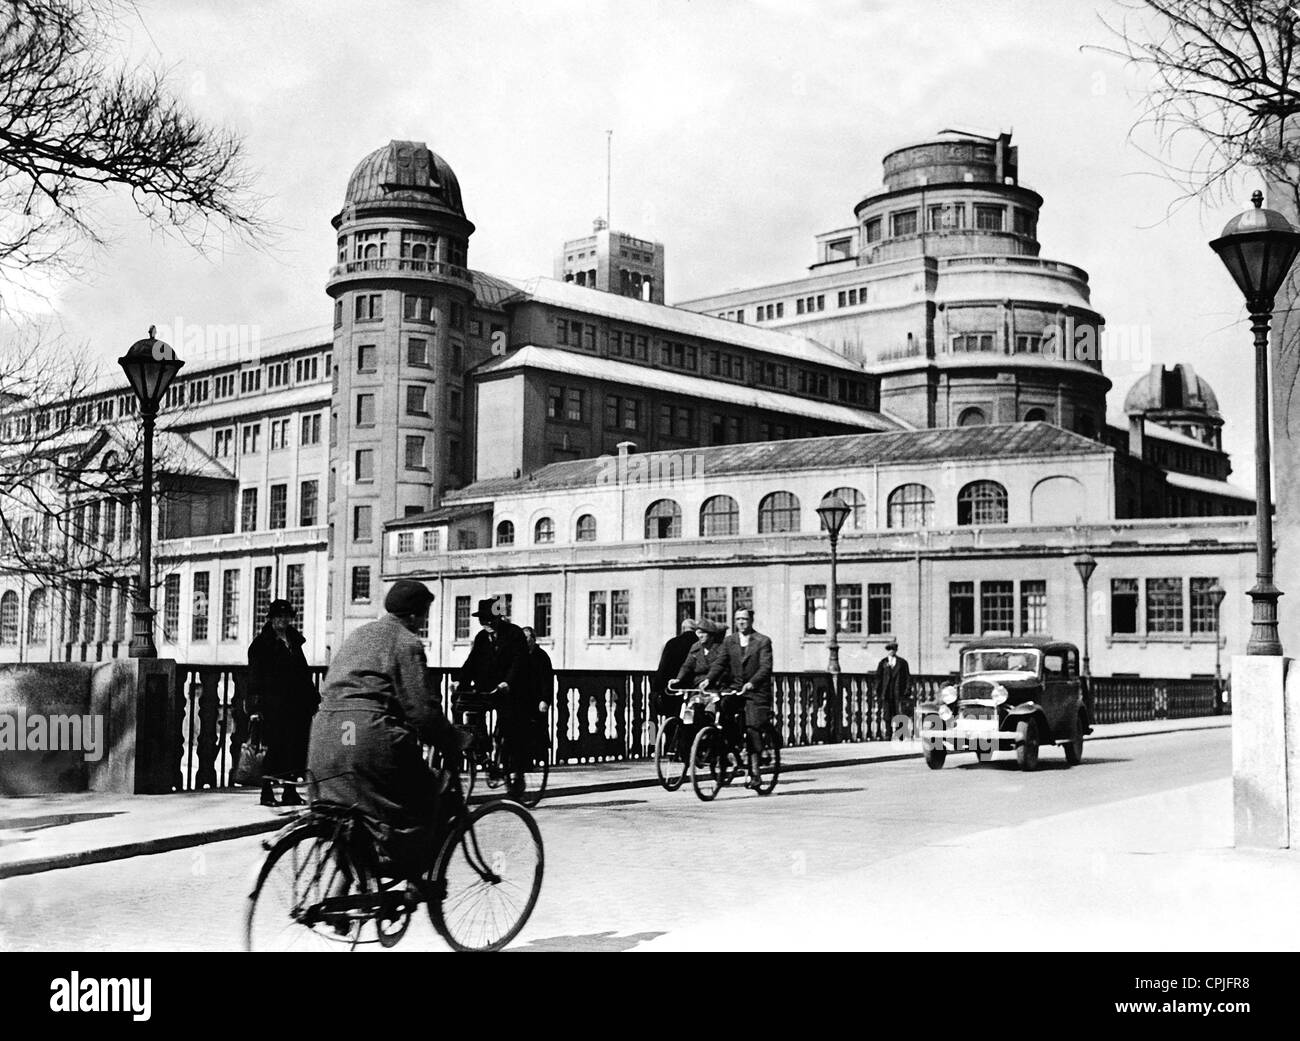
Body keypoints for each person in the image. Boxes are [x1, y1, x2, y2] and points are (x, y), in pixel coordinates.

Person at [306, 579, 466, 877]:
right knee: (432, 798)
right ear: (416, 615)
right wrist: (452, 740)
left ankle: (351, 894)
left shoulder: (359, 635)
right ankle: (417, 879)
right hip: (367, 737)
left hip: (327, 736)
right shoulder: (407, 643)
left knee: (349, 813)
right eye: (425, 615)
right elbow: (422, 710)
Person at [247, 599, 319, 807]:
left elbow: (303, 673)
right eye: (279, 617)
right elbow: (254, 678)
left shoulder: (294, 642)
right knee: (274, 747)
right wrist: (255, 707)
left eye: (286, 616)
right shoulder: (261, 644)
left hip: (296, 706)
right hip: (273, 706)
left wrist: (313, 698)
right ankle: (266, 792)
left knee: (295, 748)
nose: (283, 620)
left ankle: (290, 791)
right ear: (271, 619)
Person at [457, 596, 530, 797]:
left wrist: (508, 682)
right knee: (474, 718)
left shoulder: (514, 634)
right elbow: (471, 663)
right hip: (487, 688)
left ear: (498, 618)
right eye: (482, 620)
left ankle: (514, 771)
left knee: (508, 728)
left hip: (509, 690)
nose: (486, 624)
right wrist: (459, 681)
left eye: (489, 619)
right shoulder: (482, 638)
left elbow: (519, 661)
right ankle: (486, 756)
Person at [705, 609, 773, 789]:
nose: (741, 622)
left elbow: (765, 667)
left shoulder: (762, 641)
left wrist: (752, 683)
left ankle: (756, 774)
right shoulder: (730, 641)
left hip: (755, 692)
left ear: (751, 620)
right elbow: (720, 662)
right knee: (723, 714)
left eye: (744, 619)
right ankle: (731, 752)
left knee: (752, 728)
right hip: (736, 689)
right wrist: (708, 679)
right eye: (738, 619)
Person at [670, 619, 730, 759]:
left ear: (711, 635)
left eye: (704, 633)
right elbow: (687, 666)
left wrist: (710, 680)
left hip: (715, 687)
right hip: (698, 688)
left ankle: (709, 745)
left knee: (711, 714)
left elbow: (722, 669)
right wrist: (678, 679)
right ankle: (688, 750)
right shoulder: (696, 648)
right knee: (689, 714)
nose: (700, 635)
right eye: (699, 632)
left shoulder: (720, 649)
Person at [652, 617, 700, 719]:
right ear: (695, 630)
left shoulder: (672, 643)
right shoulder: (699, 644)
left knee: (672, 719)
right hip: (693, 689)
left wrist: (656, 688)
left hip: (673, 688)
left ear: (682, 629)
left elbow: (663, 668)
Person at [876, 640, 912, 726]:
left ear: (896, 650)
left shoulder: (902, 663)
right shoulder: (883, 663)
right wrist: (878, 691)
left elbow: (907, 677)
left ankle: (899, 734)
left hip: (898, 692)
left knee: (899, 713)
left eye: (893, 649)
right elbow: (878, 678)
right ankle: (888, 734)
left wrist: (907, 690)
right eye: (889, 649)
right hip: (887, 692)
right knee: (887, 714)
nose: (891, 651)